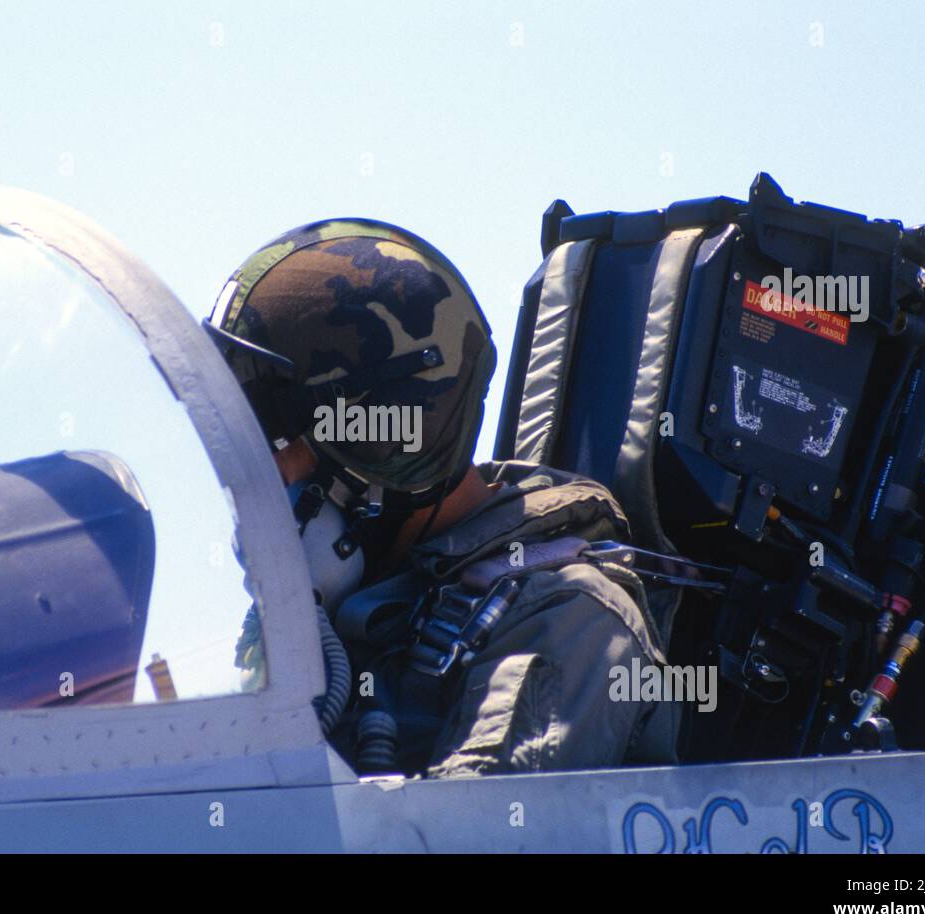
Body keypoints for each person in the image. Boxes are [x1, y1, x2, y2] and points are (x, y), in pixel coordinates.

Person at [205, 218, 676, 777]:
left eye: (274, 441)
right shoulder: (352, 621)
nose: (256, 481)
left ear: (378, 445)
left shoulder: (570, 620)